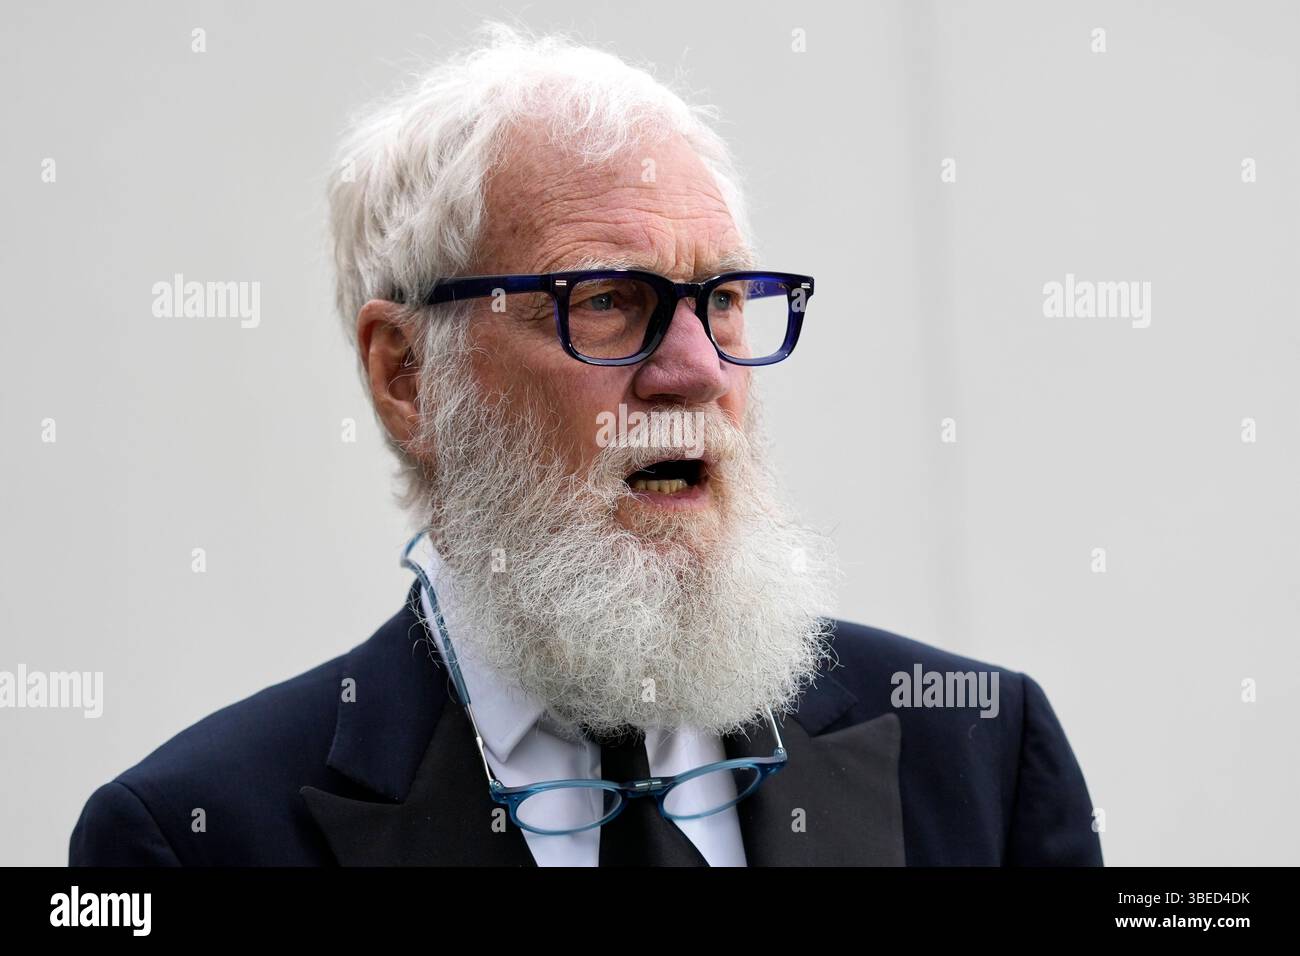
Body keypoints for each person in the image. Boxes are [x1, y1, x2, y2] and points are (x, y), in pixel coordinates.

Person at [69, 23, 1101, 867]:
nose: (694, 370)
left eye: (725, 300)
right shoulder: (193, 839)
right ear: (406, 376)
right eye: (605, 301)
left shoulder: (977, 754)